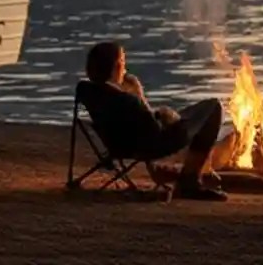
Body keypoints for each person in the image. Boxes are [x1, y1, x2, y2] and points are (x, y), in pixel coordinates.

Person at [82, 41, 229, 201]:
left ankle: (188, 176)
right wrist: (143, 98)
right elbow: (152, 128)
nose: (125, 68)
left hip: (120, 142)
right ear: (116, 66)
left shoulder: (90, 91)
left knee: (198, 110)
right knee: (213, 108)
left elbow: (142, 124)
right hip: (158, 141)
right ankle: (189, 181)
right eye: (123, 62)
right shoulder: (128, 100)